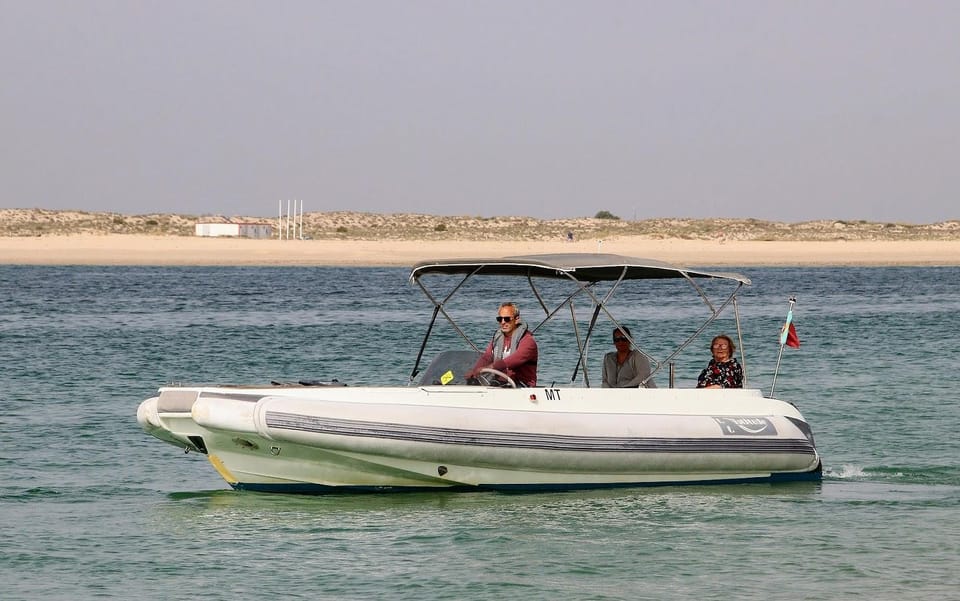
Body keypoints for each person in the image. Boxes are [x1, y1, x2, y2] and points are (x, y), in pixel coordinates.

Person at [466, 302, 538, 387]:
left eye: (507, 319)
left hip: (522, 386)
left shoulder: (528, 341)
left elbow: (515, 359)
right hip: (500, 383)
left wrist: (491, 367)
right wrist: (475, 371)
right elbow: (487, 357)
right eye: (500, 319)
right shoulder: (497, 339)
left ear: (516, 319)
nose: (503, 322)